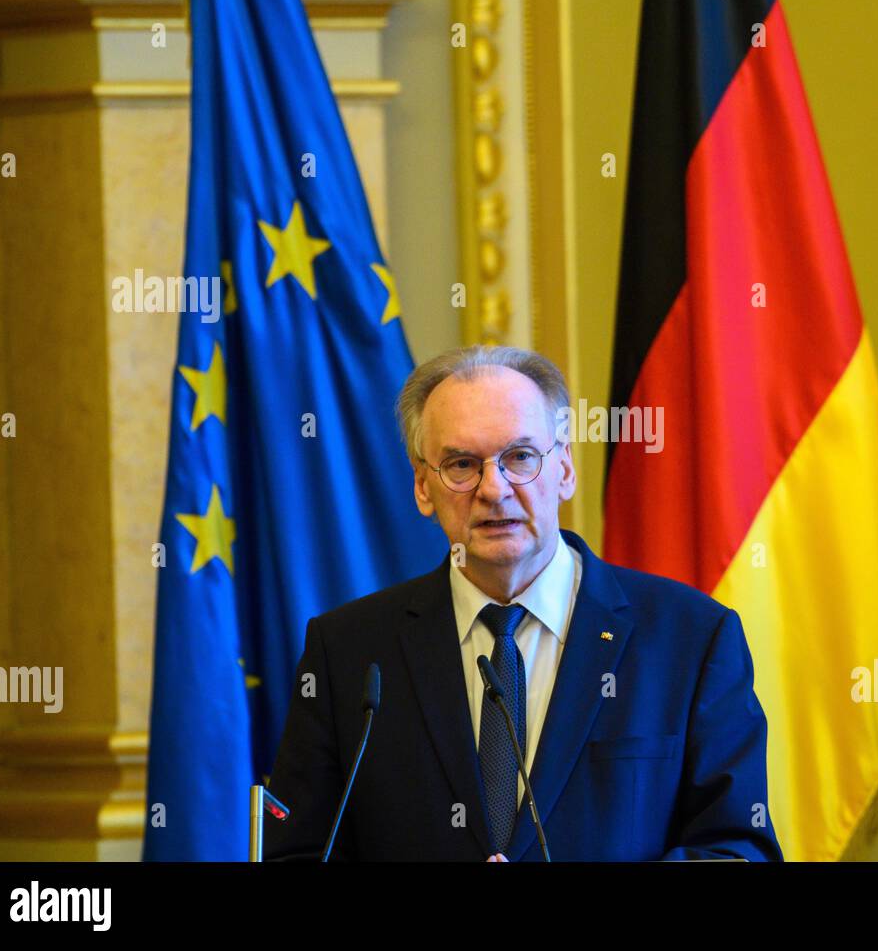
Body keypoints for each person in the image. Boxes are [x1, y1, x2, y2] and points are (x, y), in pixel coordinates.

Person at [264, 345, 781, 861]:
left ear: (564, 469)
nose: (494, 489)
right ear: (423, 486)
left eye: (520, 457)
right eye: (462, 464)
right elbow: (296, 853)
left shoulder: (690, 639)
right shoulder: (347, 652)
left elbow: (738, 848)